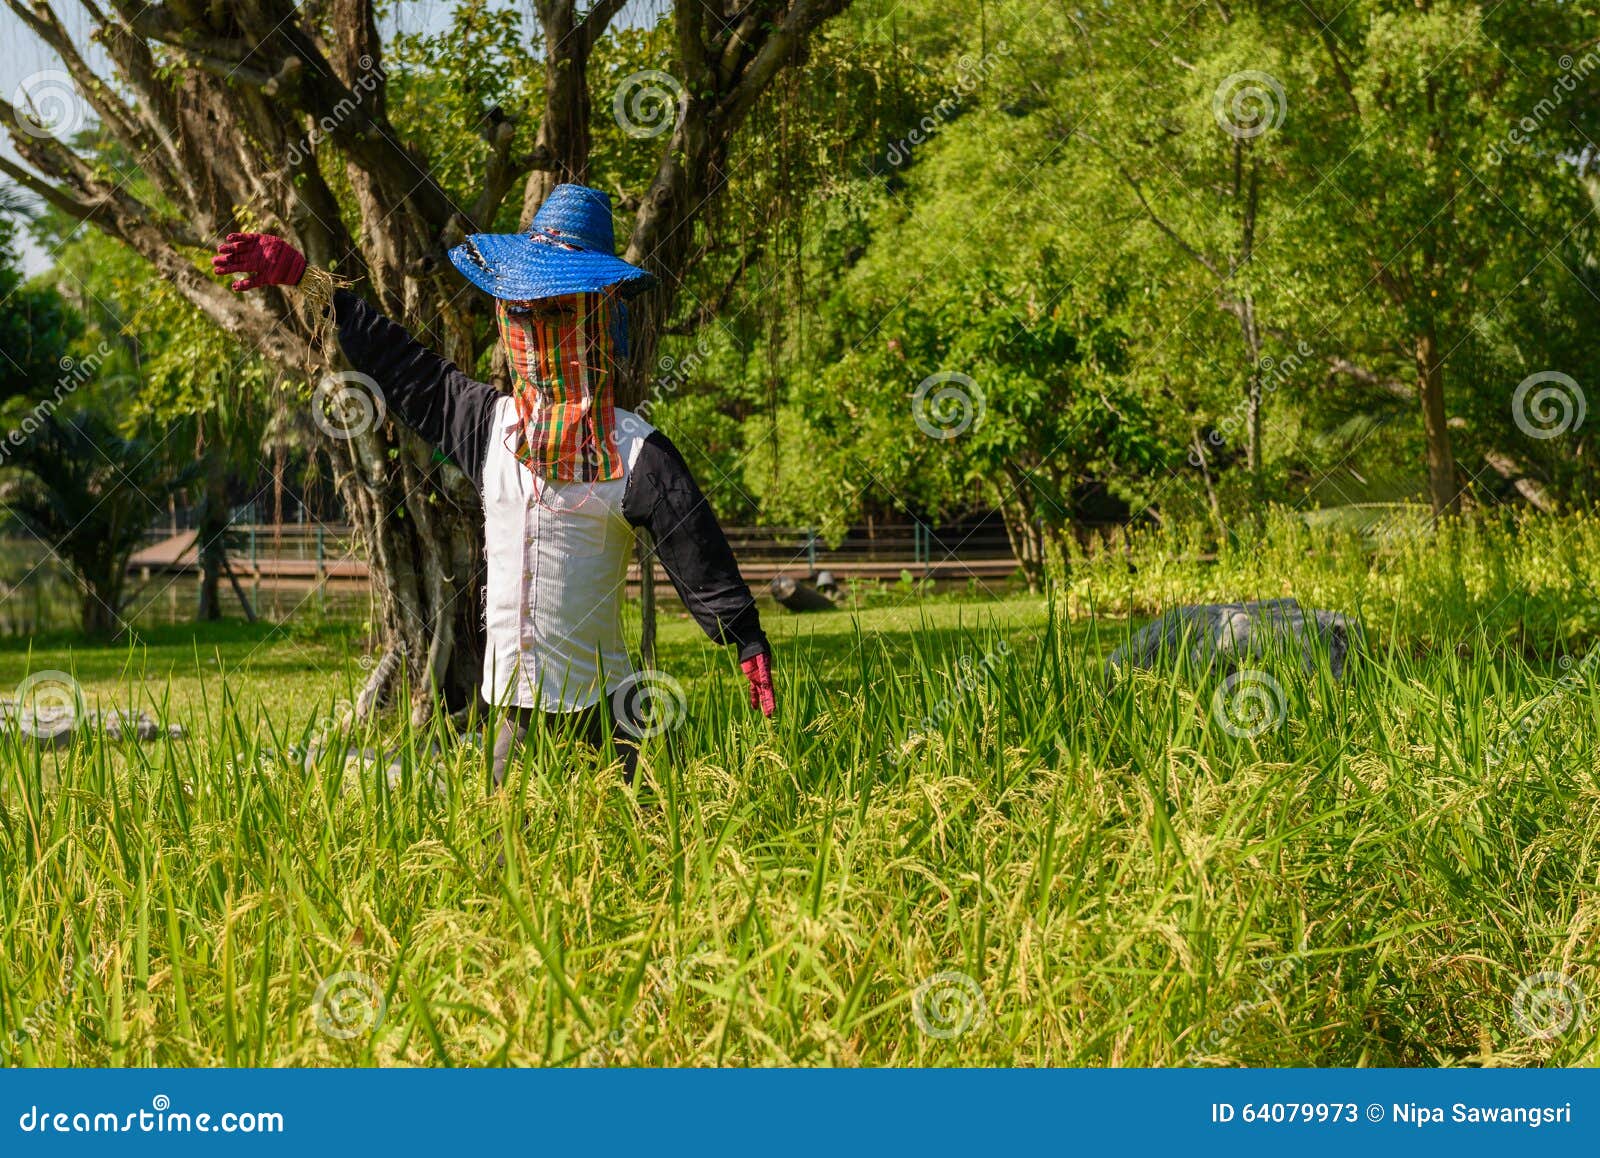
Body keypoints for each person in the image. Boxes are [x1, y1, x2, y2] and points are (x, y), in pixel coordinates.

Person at [212, 184, 775, 787]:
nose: (533, 332)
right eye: (520, 312)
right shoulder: (488, 426)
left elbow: (696, 548)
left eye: (554, 312)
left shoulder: (636, 453)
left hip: (609, 712)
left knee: (641, 829)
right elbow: (400, 365)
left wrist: (745, 640)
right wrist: (308, 281)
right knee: (499, 830)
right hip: (512, 712)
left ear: (596, 318)